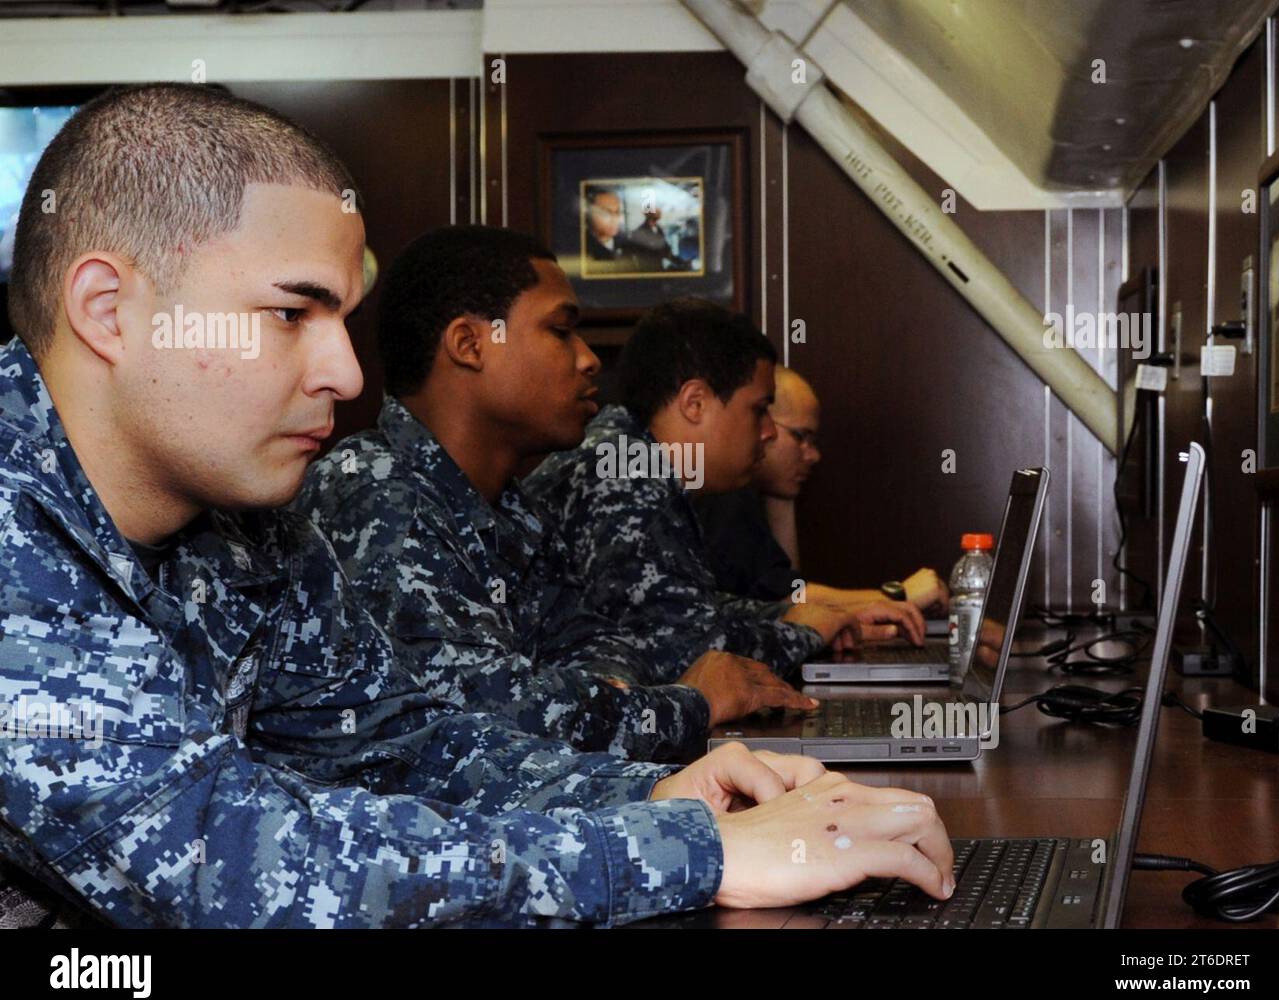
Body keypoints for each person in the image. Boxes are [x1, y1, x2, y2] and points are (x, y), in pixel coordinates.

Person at [0, 83, 953, 928]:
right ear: (109, 310)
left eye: (341, 318)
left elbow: (400, 745)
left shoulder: (242, 521)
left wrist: (665, 793)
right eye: (292, 314)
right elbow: (226, 861)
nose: (343, 370)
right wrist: (687, 855)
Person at [296, 226, 816, 764]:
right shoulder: (378, 496)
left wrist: (606, 699)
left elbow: (598, 643)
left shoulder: (508, 508)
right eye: (561, 330)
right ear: (471, 344)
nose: (589, 359)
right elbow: (491, 729)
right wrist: (687, 705)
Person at [525, 298, 925, 684]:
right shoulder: (627, 476)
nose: (768, 431)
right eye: (758, 409)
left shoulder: (631, 453)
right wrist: (810, 632)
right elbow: (685, 650)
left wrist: (796, 614)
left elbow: (689, 609)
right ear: (695, 403)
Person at [693, 365, 949, 614]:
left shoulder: (753, 493)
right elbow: (788, 601)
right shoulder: (722, 493)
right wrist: (898, 595)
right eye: (801, 436)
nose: (813, 455)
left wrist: (783, 497)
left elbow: (787, 587)